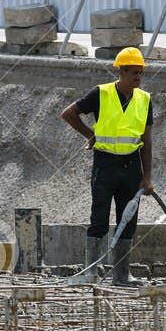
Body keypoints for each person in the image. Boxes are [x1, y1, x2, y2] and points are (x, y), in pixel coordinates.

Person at [61, 46, 155, 285]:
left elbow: (147, 140)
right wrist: (89, 135)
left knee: (128, 220)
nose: (138, 78)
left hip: (131, 166)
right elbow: (69, 113)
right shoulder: (101, 94)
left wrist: (147, 177)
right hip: (105, 164)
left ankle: (121, 276)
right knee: (99, 218)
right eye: (134, 72)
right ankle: (90, 273)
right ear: (121, 72)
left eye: (140, 73)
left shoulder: (144, 100)